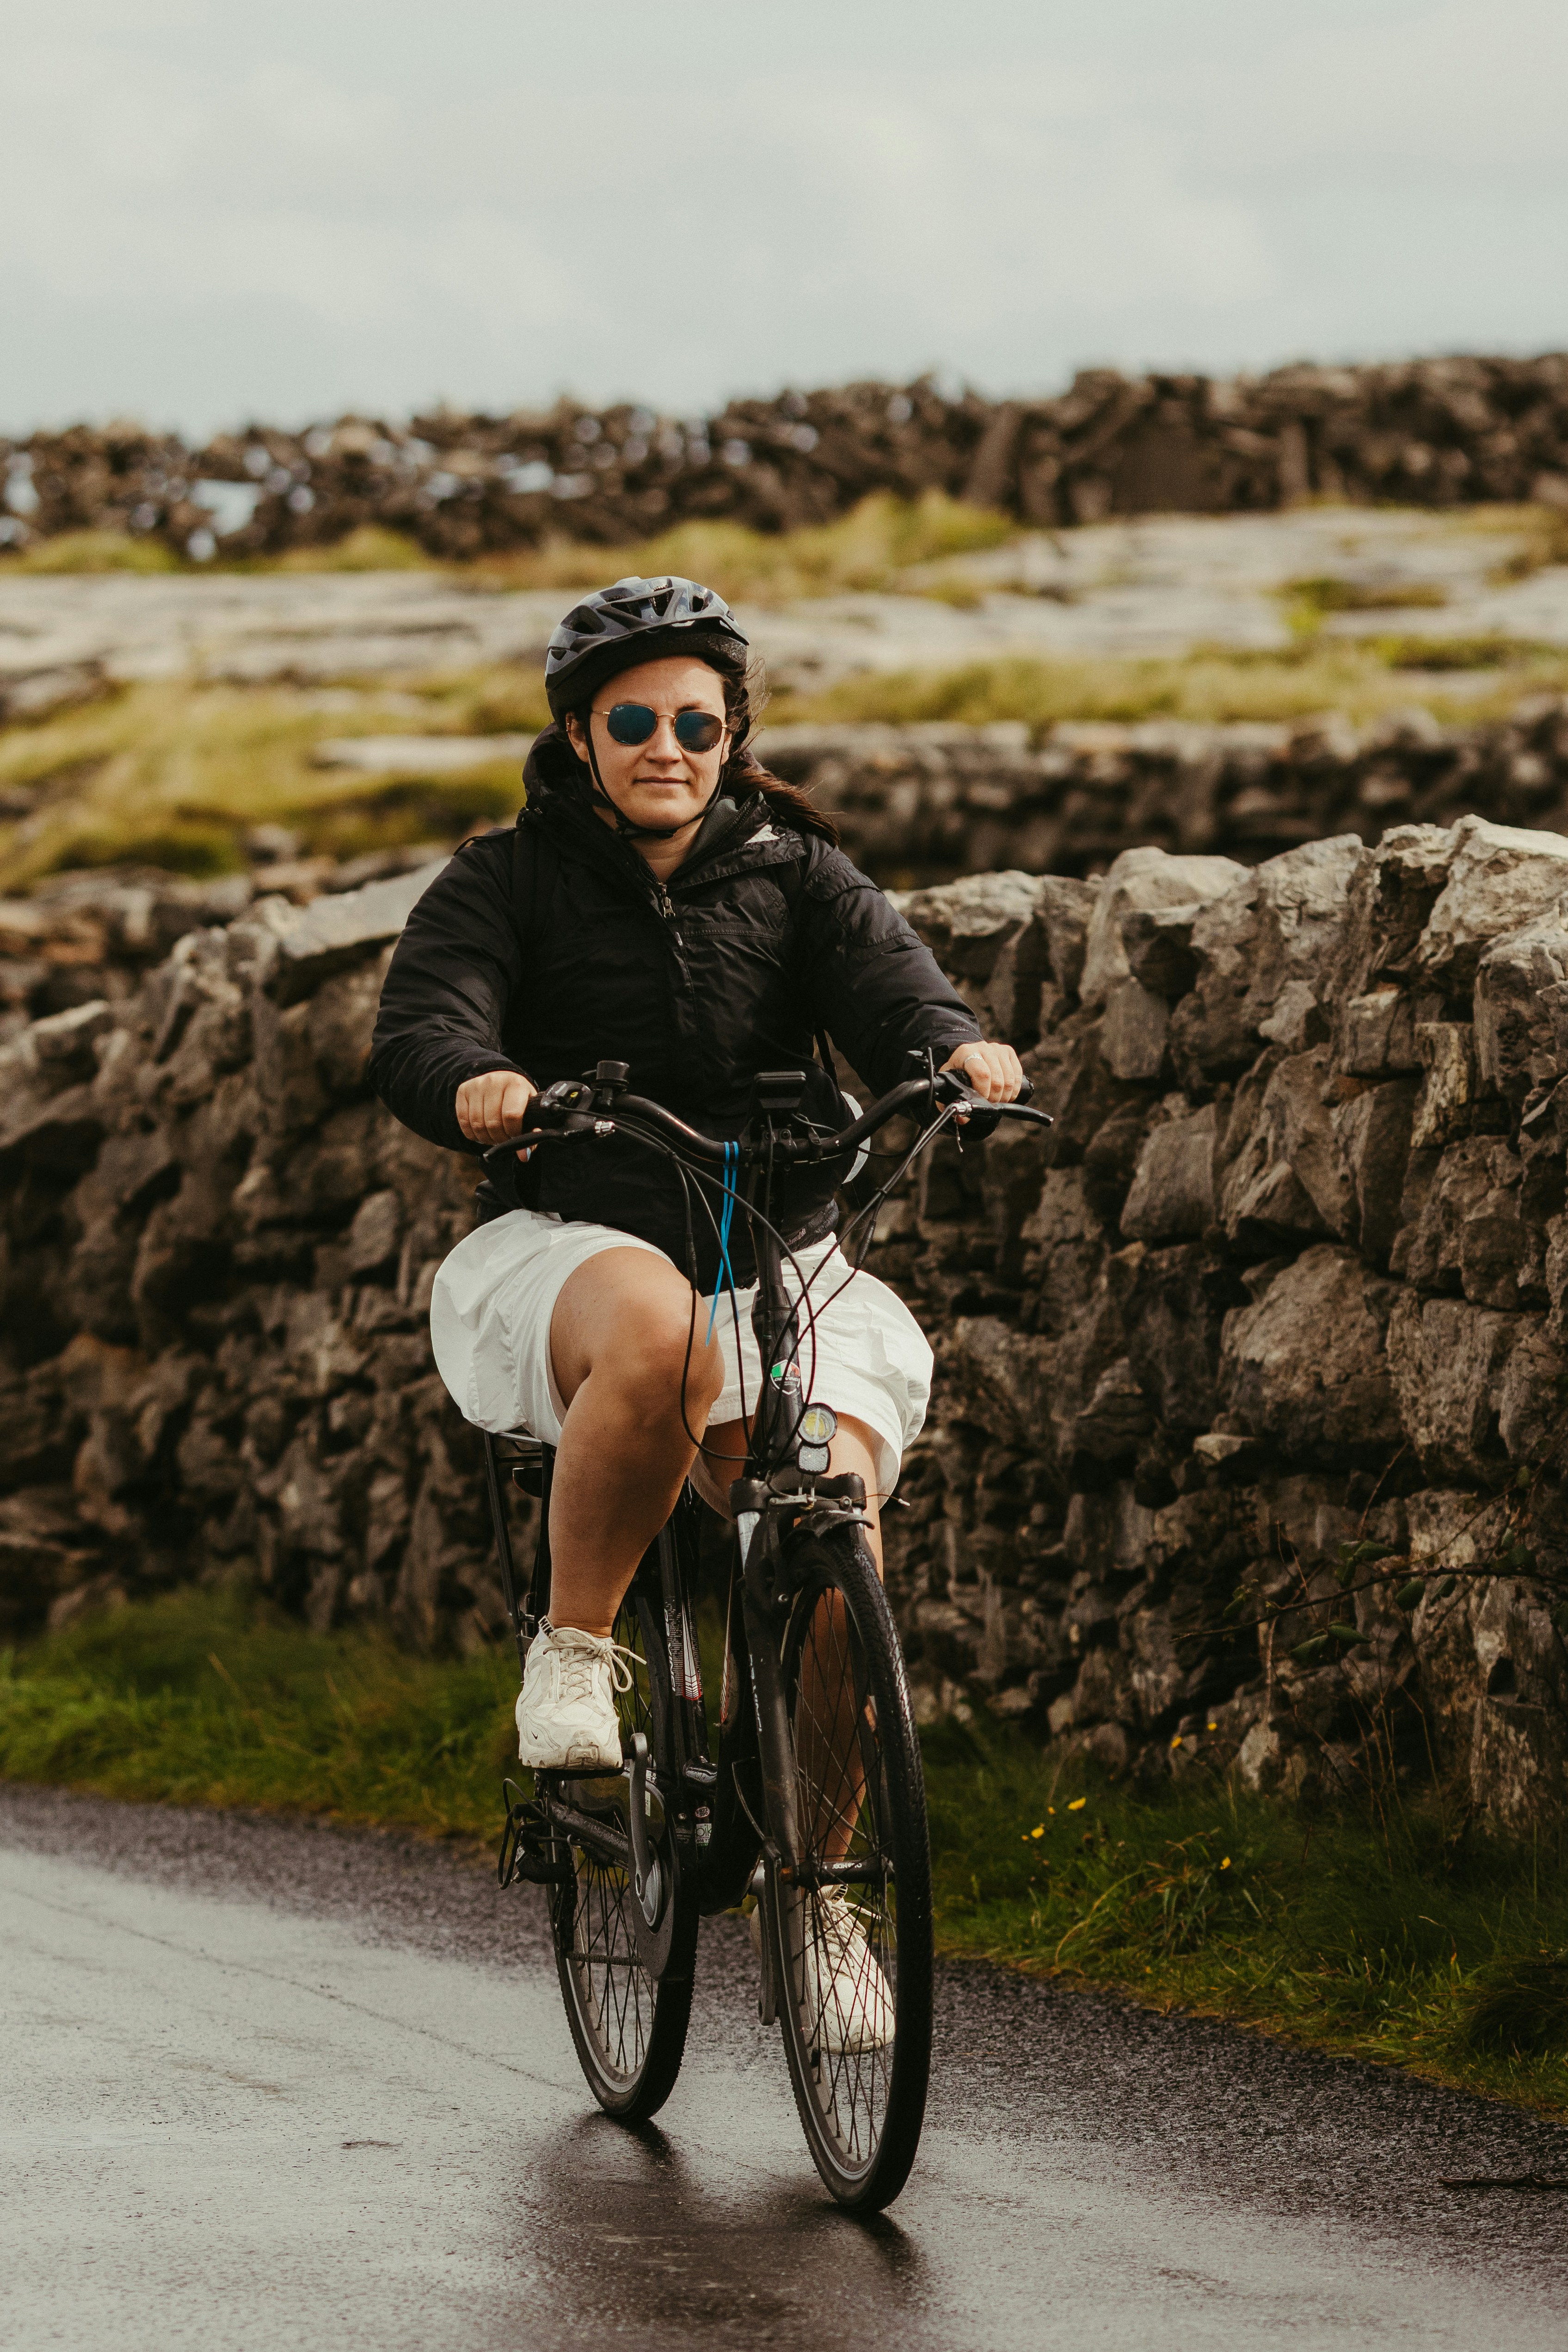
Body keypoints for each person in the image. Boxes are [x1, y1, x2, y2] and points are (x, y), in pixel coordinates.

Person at [370, 572, 1022, 1772]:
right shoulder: (503, 879)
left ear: (731, 737)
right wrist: (476, 1078)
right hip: (578, 1232)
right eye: (632, 723)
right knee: (665, 1341)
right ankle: (574, 1653)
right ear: (579, 736)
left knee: (834, 1518)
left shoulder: (802, 873)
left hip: (780, 1245)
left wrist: (951, 1053)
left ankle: (821, 1903)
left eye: (696, 725)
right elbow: (425, 1024)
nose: (665, 749)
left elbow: (900, 997)